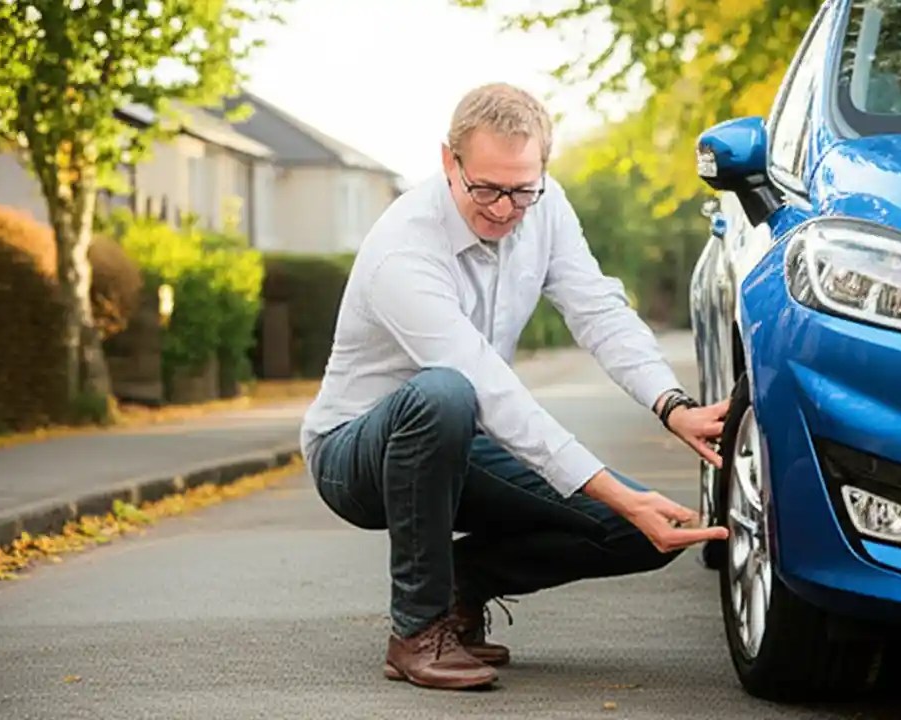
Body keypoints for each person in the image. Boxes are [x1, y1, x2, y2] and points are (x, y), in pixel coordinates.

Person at [299, 82, 730, 691]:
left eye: (522, 190)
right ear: (449, 162)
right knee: (445, 393)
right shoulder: (404, 250)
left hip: (461, 442)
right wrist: (616, 491)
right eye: (487, 188)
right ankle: (417, 632)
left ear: (543, 171)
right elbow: (488, 388)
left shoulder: (546, 208)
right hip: (357, 456)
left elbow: (598, 310)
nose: (505, 208)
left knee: (648, 535)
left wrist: (672, 404)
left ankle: (460, 585)